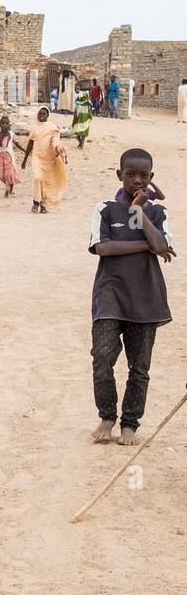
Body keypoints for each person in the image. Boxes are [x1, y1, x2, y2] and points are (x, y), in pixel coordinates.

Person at [89, 149, 174, 447]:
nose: (137, 180)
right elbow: (103, 248)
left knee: (139, 368)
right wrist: (146, 248)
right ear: (119, 175)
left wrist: (140, 212)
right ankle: (107, 416)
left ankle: (129, 423)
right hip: (109, 296)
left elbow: (162, 244)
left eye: (144, 175)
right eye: (130, 174)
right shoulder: (105, 208)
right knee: (102, 359)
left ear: (151, 178)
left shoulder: (157, 213)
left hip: (146, 300)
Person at [21, 106, 68, 213]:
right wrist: (24, 159)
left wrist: (58, 149)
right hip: (37, 157)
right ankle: (35, 202)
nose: (41, 116)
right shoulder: (35, 128)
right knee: (37, 177)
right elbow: (30, 144)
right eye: (40, 114)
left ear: (48, 115)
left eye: (44, 114)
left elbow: (55, 140)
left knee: (46, 181)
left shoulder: (52, 128)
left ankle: (43, 205)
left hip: (49, 159)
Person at [0, 117, 22, 198]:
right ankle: (11, 184)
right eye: (3, 123)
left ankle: (7, 190)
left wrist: (24, 150)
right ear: (0, 125)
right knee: (1, 175)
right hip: (0, 156)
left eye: (6, 123)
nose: (5, 125)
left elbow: (17, 144)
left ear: (9, 124)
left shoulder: (12, 134)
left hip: (9, 156)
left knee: (8, 174)